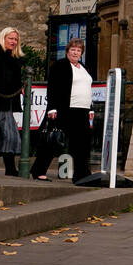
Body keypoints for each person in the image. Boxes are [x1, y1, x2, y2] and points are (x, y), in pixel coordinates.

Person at [43, 38, 94, 182]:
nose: (75, 52)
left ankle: (82, 174)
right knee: (54, 140)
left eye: (78, 50)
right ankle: (38, 170)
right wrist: (52, 107)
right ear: (67, 51)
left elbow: (86, 88)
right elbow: (52, 87)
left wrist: (90, 108)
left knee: (82, 143)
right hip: (66, 109)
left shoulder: (83, 67)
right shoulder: (60, 65)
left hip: (83, 110)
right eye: (73, 50)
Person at [0, 27, 26, 177]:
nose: (13, 42)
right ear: (3, 38)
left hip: (7, 102)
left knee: (3, 134)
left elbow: (14, 80)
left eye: (15, 39)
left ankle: (3, 168)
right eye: (11, 38)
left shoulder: (15, 58)